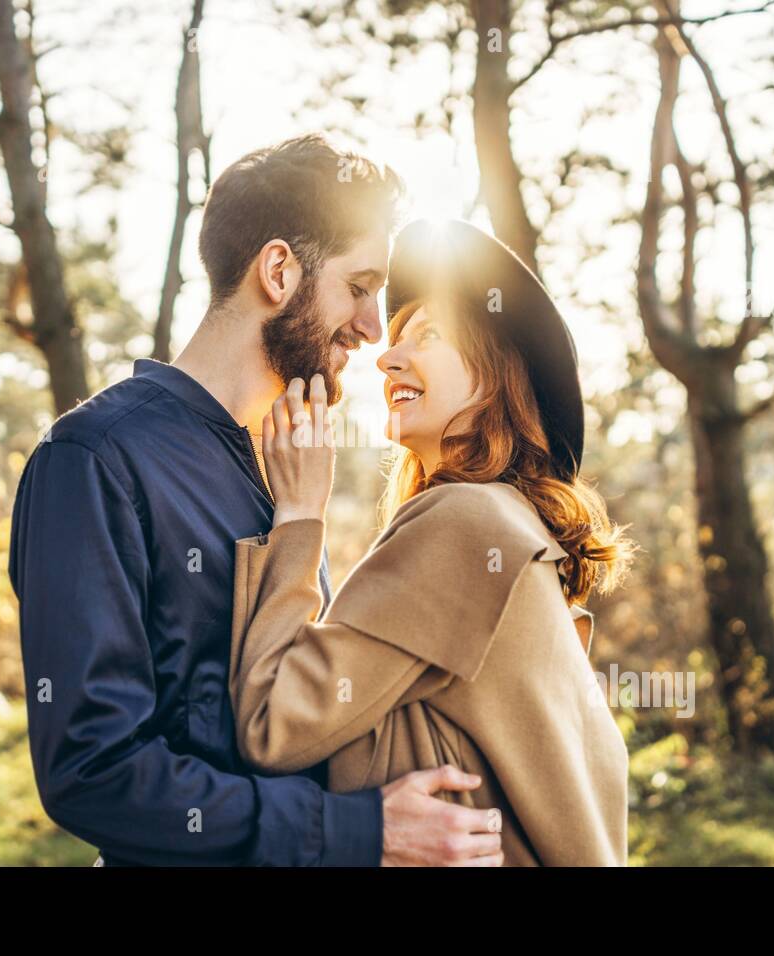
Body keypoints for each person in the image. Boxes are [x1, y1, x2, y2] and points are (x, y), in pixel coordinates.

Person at [9, 137, 502, 866]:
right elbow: (92, 769)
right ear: (278, 270)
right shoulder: (94, 459)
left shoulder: (289, 467)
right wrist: (359, 833)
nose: (372, 330)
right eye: (360, 288)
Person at [229, 218, 635, 866]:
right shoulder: (515, 531)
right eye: (395, 340)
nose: (387, 358)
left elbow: (272, 722)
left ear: (499, 373)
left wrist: (300, 513)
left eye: (431, 335)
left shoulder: (465, 524)